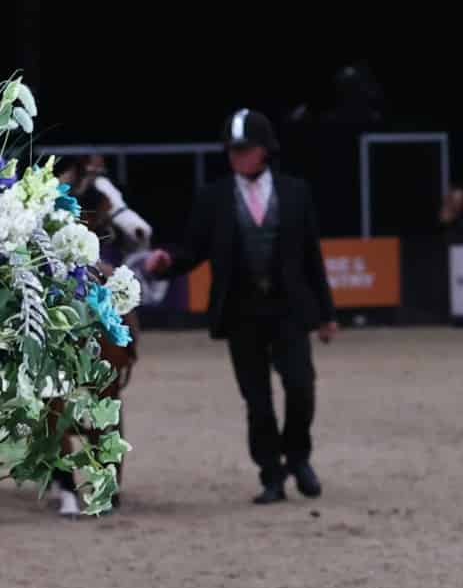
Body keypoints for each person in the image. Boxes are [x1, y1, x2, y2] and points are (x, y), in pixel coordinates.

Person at [142, 110, 338, 504]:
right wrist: (167, 262)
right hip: (240, 312)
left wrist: (327, 313)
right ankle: (271, 474)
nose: (236, 156)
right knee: (258, 399)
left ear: (264, 150)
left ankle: (298, 457)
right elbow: (193, 250)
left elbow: (311, 257)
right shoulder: (213, 197)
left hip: (287, 310)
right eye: (232, 150)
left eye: (244, 149)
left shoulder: (296, 192)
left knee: (301, 388)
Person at [53, 157, 152, 517]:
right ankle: (64, 483)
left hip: (87, 265)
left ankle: (125, 348)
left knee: (116, 288)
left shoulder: (96, 200)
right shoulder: (45, 198)